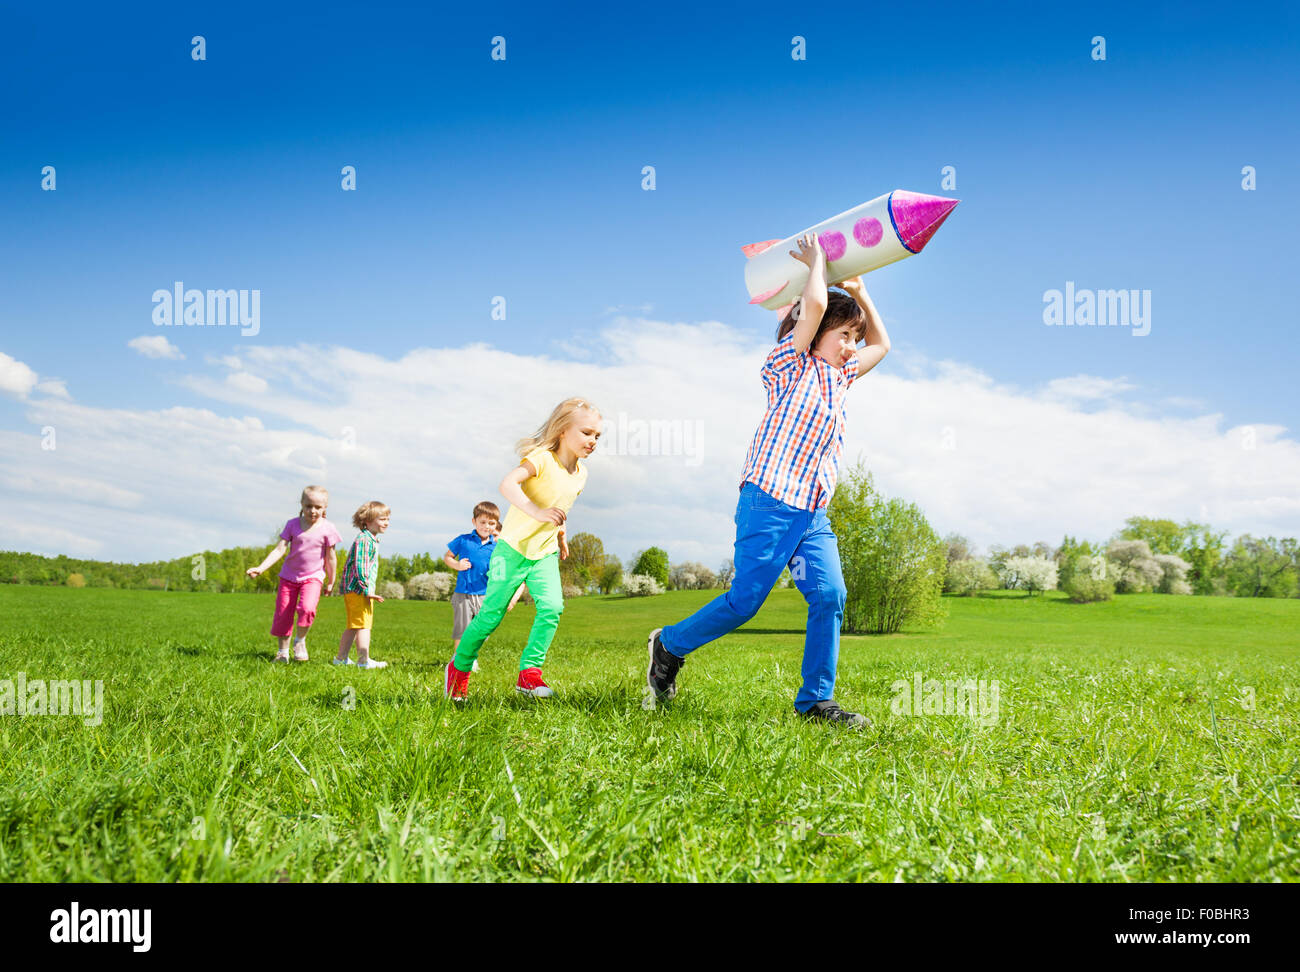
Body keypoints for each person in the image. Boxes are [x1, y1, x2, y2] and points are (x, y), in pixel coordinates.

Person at [645, 234, 891, 726]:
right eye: (843, 335)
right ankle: (668, 646)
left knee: (829, 595)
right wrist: (817, 261)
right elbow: (817, 301)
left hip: (812, 514)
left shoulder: (841, 379)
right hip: (769, 503)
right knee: (745, 602)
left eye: (851, 338)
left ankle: (816, 703)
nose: (851, 346)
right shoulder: (787, 365)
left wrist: (861, 294)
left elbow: (883, 344)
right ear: (814, 330)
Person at [444, 398, 599, 701]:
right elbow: (507, 484)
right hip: (510, 551)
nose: (593, 441)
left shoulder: (581, 474)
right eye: (587, 432)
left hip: (544, 554)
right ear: (564, 430)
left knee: (552, 608)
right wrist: (537, 512)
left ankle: (529, 674)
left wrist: (561, 535)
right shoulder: (542, 458)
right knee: (491, 615)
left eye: (597, 436)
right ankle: (458, 670)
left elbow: (560, 507)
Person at [246, 485, 342, 663]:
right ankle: (283, 653)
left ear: (325, 508)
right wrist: (261, 568)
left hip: (313, 577)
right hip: (289, 577)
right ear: (302, 504)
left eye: (318, 507)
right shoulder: (292, 524)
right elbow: (279, 549)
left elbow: (331, 558)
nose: (312, 511)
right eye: (308, 506)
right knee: (283, 613)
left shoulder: (328, 528)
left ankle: (300, 641)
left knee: (307, 608)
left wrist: (331, 581)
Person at [334, 501, 390, 669]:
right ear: (367, 521)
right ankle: (363, 661)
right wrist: (367, 590)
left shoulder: (370, 539)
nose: (386, 522)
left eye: (387, 519)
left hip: (358, 589)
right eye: (382, 519)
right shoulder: (365, 540)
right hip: (359, 590)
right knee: (363, 625)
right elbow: (360, 566)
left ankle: (341, 658)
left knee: (354, 625)